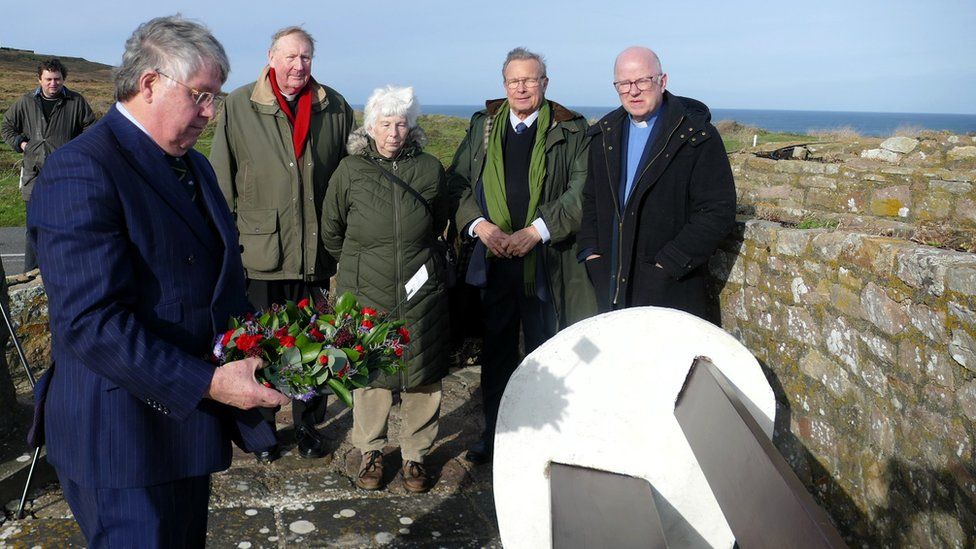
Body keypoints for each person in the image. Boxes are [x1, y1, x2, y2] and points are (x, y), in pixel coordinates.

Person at [26, 16, 290, 547]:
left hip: (183, 427)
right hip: (122, 437)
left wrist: (278, 349)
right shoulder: (82, 170)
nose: (211, 113)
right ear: (149, 83)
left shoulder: (194, 165)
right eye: (201, 96)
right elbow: (89, 324)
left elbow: (216, 281)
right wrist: (212, 383)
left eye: (215, 97)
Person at [210, 26, 355, 462]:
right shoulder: (238, 105)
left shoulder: (335, 106)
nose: (299, 66)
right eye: (290, 57)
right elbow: (221, 178)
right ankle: (262, 435)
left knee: (318, 343)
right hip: (259, 252)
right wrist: (225, 243)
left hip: (316, 251)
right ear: (271, 57)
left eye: (306, 57)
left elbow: (348, 177)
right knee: (260, 346)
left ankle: (309, 426)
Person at [449, 48, 596, 465]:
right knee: (495, 353)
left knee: (547, 354)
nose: (522, 87)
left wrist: (537, 231)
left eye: (531, 80)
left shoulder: (571, 129)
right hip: (494, 261)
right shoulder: (483, 127)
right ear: (504, 84)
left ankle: (546, 442)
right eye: (514, 80)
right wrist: (482, 227)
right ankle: (496, 436)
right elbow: (456, 184)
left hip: (546, 265)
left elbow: (581, 191)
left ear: (545, 84)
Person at [322, 86, 449, 493]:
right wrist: (358, 266)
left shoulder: (430, 168)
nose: (393, 132)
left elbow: (440, 220)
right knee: (371, 372)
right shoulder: (350, 170)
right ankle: (372, 450)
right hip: (366, 287)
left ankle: (415, 455)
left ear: (411, 127)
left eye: (401, 123)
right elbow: (332, 230)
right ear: (370, 127)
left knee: (422, 371)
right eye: (385, 123)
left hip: (420, 285)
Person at [578, 46, 736, 320]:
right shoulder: (604, 136)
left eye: (642, 80)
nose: (633, 91)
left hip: (672, 288)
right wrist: (592, 255)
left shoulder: (697, 137)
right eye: (624, 83)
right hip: (612, 287)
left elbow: (717, 210)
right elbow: (592, 200)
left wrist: (668, 264)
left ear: (662, 81)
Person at [1, 58, 95, 272]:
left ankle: (64, 272)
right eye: (49, 79)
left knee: (66, 225)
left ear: (64, 79)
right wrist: (22, 144)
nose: (53, 84)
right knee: (34, 227)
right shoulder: (26, 102)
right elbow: (6, 126)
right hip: (34, 175)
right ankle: (31, 275)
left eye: (57, 79)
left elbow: (91, 128)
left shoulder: (76, 102)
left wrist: (77, 149)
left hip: (67, 175)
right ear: (39, 79)